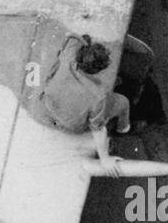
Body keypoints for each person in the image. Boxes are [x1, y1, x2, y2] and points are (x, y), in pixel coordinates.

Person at [25, 33, 130, 177]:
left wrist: (86, 45)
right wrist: (104, 159)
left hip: (45, 110)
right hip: (69, 126)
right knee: (123, 102)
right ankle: (124, 128)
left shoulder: (69, 54)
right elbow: (98, 129)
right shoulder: (98, 96)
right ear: (99, 70)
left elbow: (74, 37)